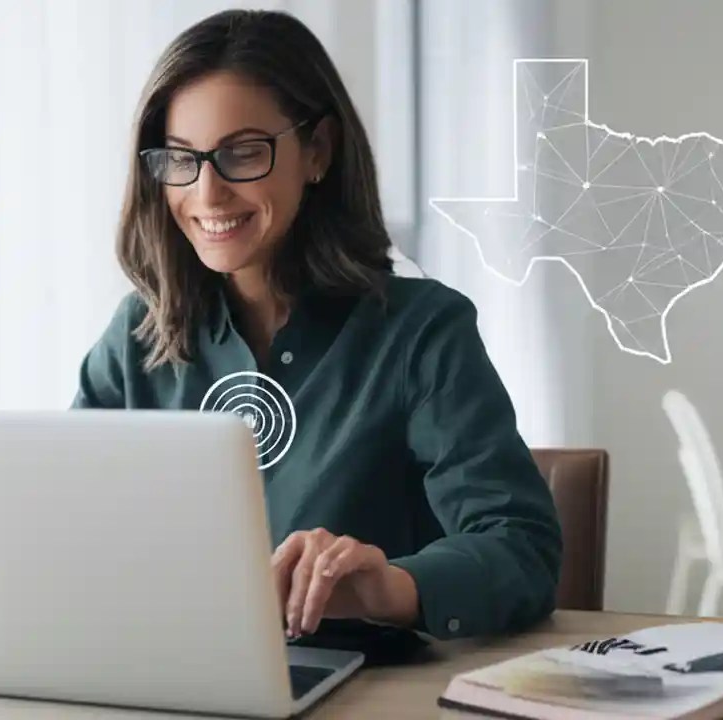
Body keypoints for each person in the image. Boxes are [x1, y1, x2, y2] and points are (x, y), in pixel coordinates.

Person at [71, 9, 562, 647]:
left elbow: (522, 548)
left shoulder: (420, 332)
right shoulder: (139, 333)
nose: (208, 193)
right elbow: (69, 526)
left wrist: (390, 587)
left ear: (319, 151)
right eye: (181, 159)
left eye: (242, 153)